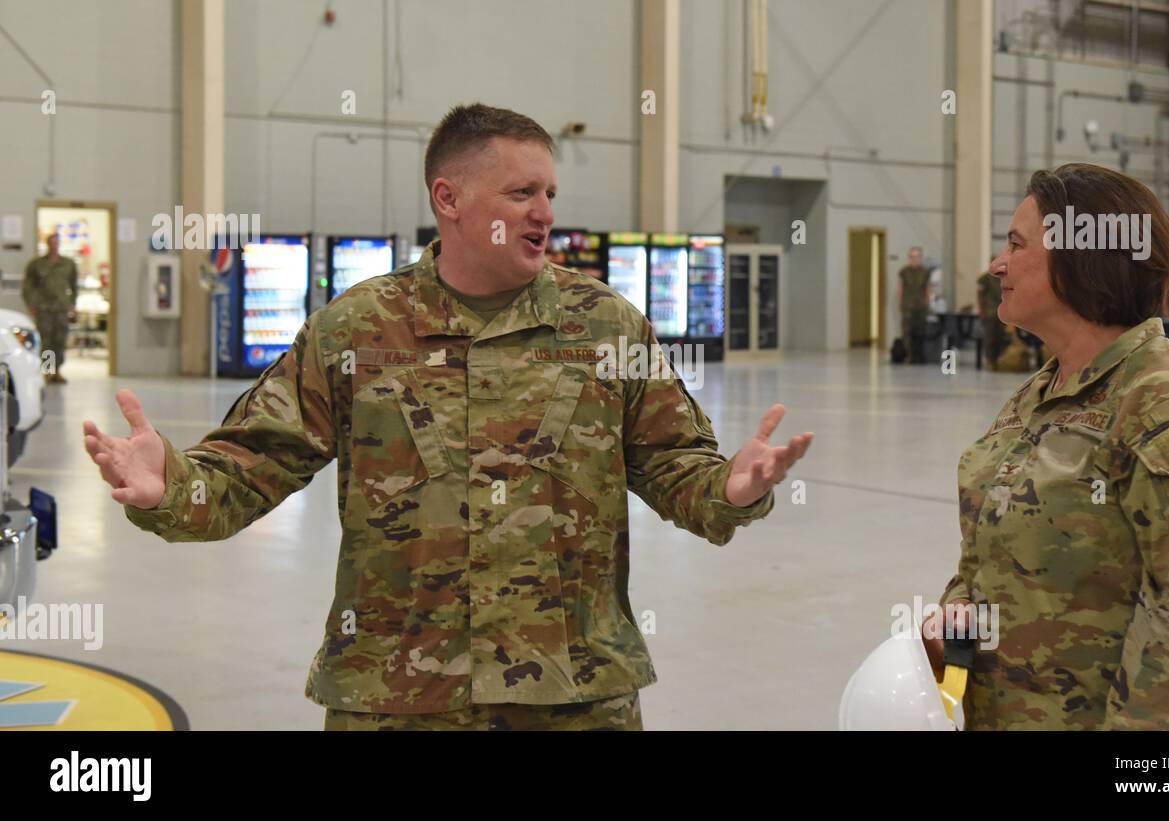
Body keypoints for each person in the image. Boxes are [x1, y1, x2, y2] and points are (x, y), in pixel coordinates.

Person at [82, 103, 814, 731]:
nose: (546, 213)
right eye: (522, 191)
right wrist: (172, 484)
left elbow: (672, 465)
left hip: (572, 696)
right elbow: (249, 468)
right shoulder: (357, 330)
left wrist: (731, 490)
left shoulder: (606, 327)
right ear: (450, 198)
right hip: (397, 696)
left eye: (551, 192)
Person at [924, 163, 1169, 730]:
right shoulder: (1036, 396)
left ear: (1081, 259)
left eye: (1016, 243)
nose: (996, 264)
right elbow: (990, 557)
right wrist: (957, 620)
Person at [22, 232, 78, 384]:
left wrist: (72, 303)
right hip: (44, 309)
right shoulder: (37, 264)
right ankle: (48, 371)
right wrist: (31, 303)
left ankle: (57, 371)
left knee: (59, 340)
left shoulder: (68, 264)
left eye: (57, 242)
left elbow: (74, 285)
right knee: (46, 341)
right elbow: (28, 286)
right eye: (52, 242)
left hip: (61, 308)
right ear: (48, 244)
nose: (54, 245)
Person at [897, 246, 930, 364]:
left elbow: (927, 288)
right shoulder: (904, 272)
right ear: (909, 258)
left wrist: (927, 303)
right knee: (907, 332)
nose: (915, 259)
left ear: (921, 258)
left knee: (921, 332)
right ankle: (908, 356)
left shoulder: (925, 272)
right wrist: (900, 303)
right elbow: (900, 288)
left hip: (921, 306)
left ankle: (919, 356)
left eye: (917, 256)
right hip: (908, 306)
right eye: (912, 256)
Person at [975, 256, 1003, 370]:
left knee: (1000, 338)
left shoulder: (1003, 277)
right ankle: (990, 361)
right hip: (990, 312)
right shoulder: (985, 278)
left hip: (1002, 313)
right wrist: (982, 311)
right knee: (990, 338)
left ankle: (999, 360)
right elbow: (980, 295)